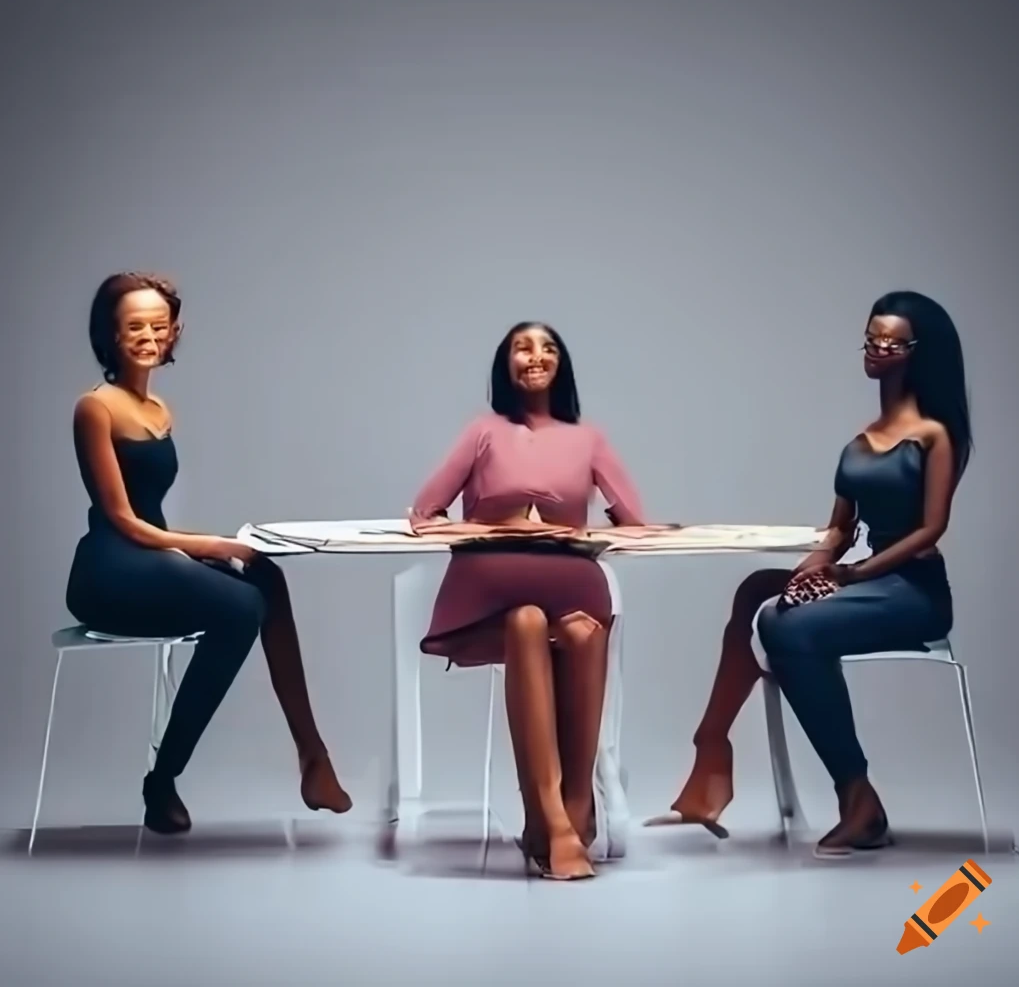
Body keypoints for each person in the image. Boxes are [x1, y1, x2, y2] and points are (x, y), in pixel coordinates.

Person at [649, 291, 971, 858]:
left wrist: (848, 576)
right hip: (864, 575)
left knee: (786, 626)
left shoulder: (934, 436)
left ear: (917, 353)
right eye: (871, 337)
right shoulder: (860, 441)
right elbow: (839, 529)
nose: (877, 349)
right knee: (758, 591)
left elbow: (930, 530)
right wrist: (813, 568)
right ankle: (712, 753)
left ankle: (857, 798)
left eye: (892, 342)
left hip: (913, 591)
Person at [66, 272, 352, 834]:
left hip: (150, 557)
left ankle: (313, 756)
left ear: (174, 331)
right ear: (111, 333)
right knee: (239, 607)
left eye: (159, 325)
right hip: (108, 571)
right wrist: (208, 546)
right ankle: (163, 781)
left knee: (265, 577)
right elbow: (122, 519)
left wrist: (209, 553)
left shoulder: (158, 409)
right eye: (134, 326)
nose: (149, 336)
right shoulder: (95, 408)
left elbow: (151, 521)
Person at [409, 322, 644, 880]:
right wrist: (492, 530)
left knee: (576, 628)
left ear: (561, 365)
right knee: (526, 621)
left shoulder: (588, 439)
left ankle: (571, 811)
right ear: (506, 364)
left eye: (547, 347)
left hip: (571, 584)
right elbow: (424, 514)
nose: (536, 356)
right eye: (522, 347)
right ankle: (554, 823)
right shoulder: (483, 432)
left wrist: (577, 534)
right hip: (490, 587)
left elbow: (634, 521)